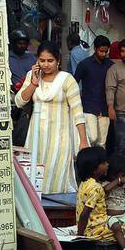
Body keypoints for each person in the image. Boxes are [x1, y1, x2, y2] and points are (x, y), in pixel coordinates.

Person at [14, 41, 87, 194]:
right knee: (35, 175)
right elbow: (20, 101)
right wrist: (33, 83)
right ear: (37, 61)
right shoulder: (32, 76)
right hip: (36, 136)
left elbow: (77, 112)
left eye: (50, 60)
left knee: (56, 176)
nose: (46, 65)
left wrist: (83, 141)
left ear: (58, 60)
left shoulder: (67, 79)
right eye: (42, 60)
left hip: (60, 138)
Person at [73, 35, 112, 148]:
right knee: (92, 137)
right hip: (88, 106)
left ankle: (99, 165)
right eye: (101, 51)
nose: (103, 54)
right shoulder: (85, 64)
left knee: (101, 142)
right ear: (95, 48)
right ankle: (89, 163)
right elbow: (74, 83)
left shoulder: (111, 65)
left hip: (105, 108)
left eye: (106, 51)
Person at [104, 39, 125, 161]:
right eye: (122, 51)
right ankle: (120, 174)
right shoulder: (114, 69)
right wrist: (110, 107)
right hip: (121, 113)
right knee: (121, 145)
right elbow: (110, 89)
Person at [73, 145, 113, 241]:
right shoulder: (96, 187)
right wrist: (80, 235)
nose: (107, 164)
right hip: (96, 230)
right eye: (103, 163)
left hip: (88, 228)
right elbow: (85, 213)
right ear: (94, 169)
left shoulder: (84, 184)